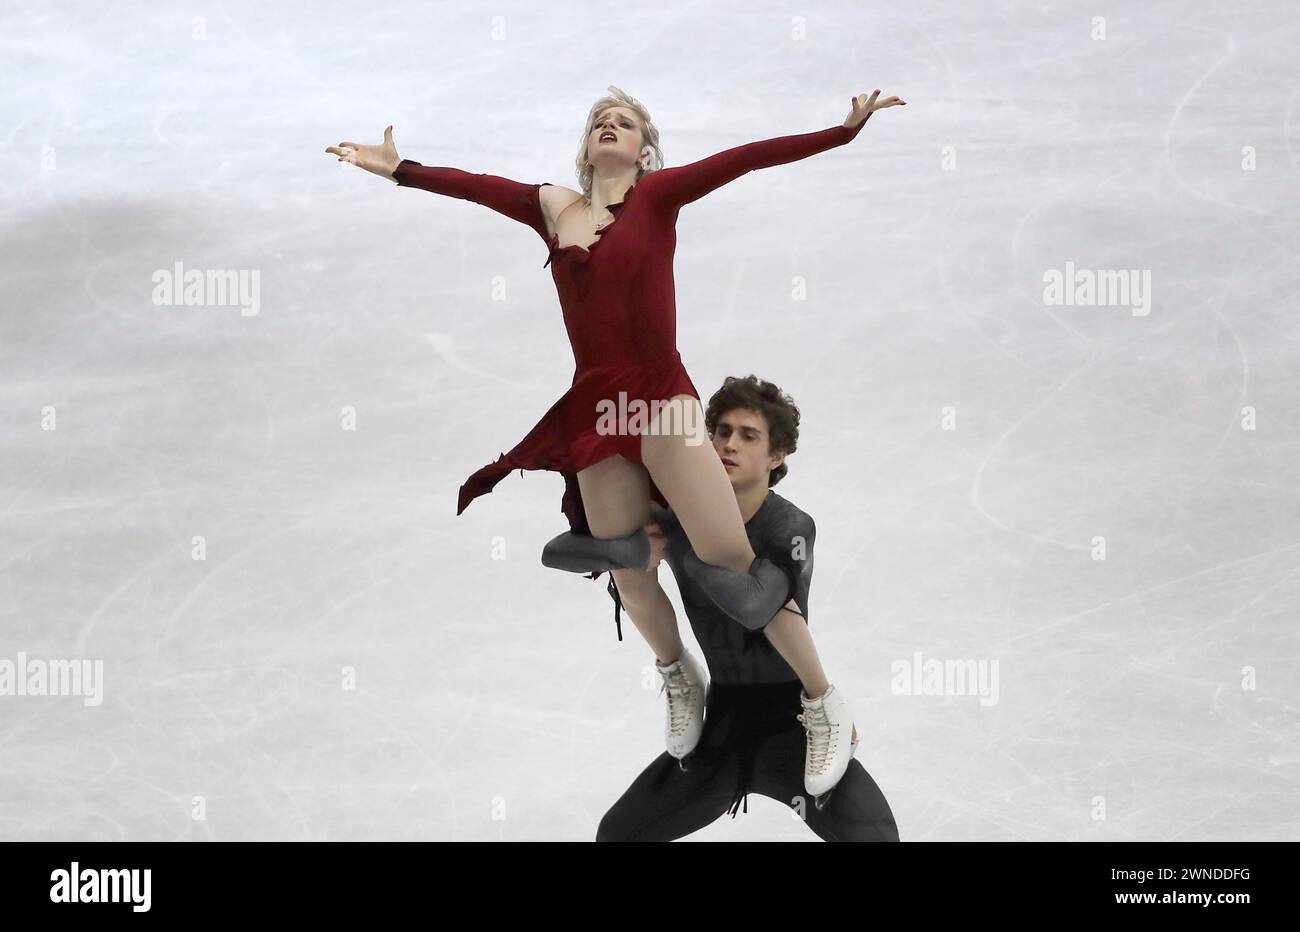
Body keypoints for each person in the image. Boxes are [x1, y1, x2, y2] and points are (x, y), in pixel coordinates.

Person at [324, 85, 905, 797]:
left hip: (660, 397)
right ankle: (678, 674)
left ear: (643, 148)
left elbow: (747, 157)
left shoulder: (659, 196)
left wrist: (841, 132)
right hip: (598, 406)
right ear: (587, 144)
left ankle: (823, 701)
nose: (610, 125)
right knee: (628, 565)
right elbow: (476, 187)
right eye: (601, 120)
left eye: (624, 122)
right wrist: (400, 169)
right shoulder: (553, 207)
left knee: (732, 564)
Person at [542, 375, 900, 840]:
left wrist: (685, 548)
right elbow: (557, 553)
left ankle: (830, 709)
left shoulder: (789, 526)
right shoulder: (676, 518)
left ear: (776, 456)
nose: (729, 444)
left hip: (795, 727)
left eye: (748, 436)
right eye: (722, 432)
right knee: (617, 834)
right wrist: (628, 551)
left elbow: (755, 606)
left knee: (877, 838)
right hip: (723, 729)